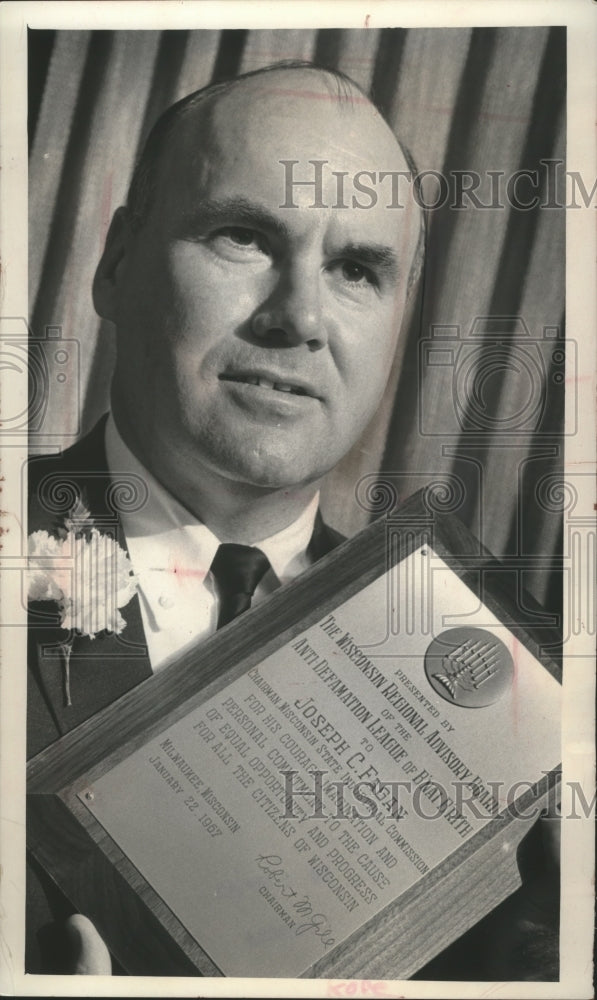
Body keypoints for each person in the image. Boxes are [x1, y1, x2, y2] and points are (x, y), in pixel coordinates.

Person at [27, 62, 557, 979]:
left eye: (356, 269)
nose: (301, 316)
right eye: (244, 237)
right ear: (117, 263)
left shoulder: (518, 701)